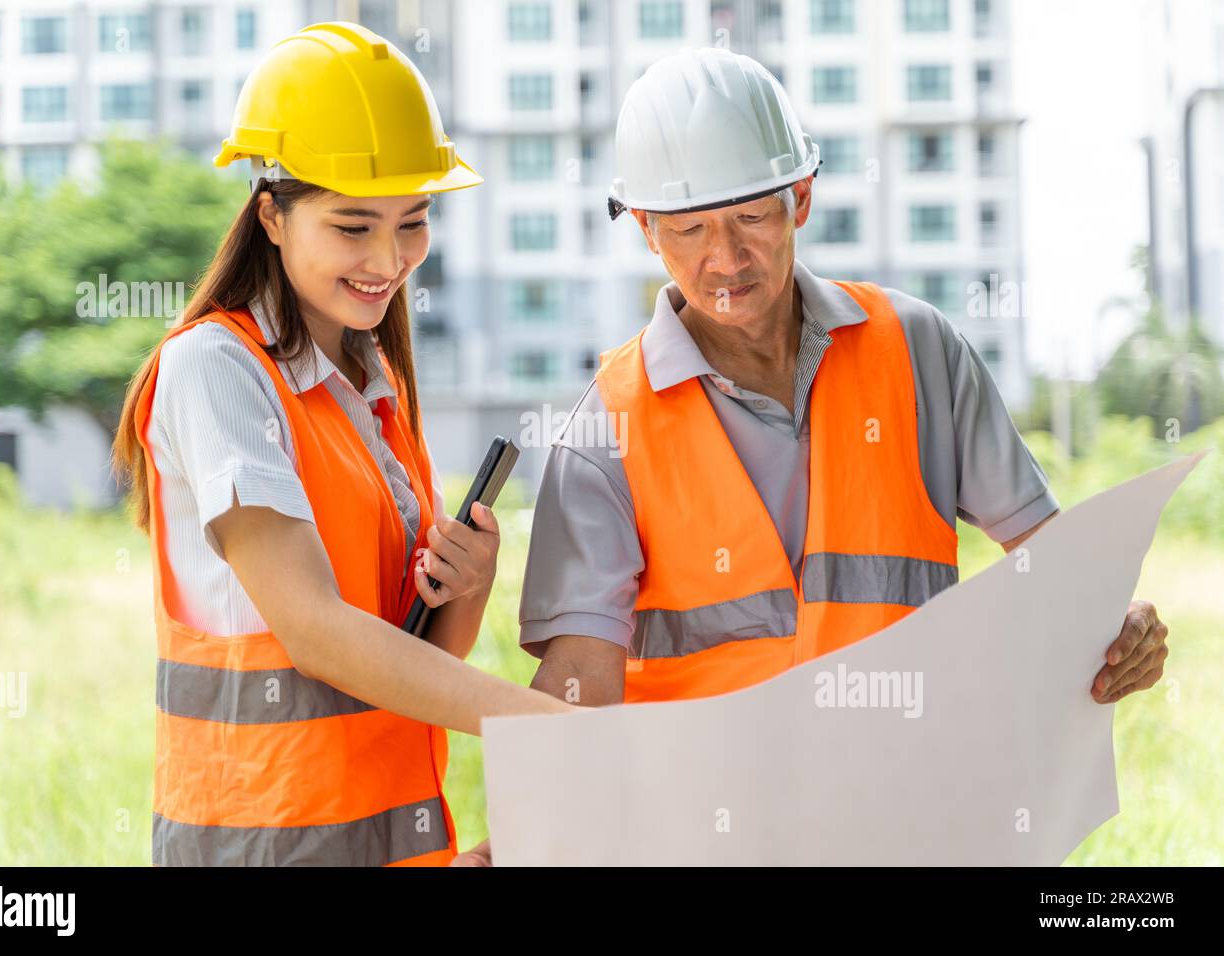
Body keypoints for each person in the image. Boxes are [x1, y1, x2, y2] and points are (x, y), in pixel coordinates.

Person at [452, 46, 1171, 866]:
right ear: (646, 230)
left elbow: (1054, 570)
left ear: (800, 197)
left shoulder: (917, 352)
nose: (724, 259)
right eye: (689, 229)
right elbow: (583, 680)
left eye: (752, 217)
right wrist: (516, 840)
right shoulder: (603, 430)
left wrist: (1117, 622)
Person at [111, 21, 570, 867]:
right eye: (353, 227)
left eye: (413, 223)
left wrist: (465, 587)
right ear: (273, 218)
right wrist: (554, 730)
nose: (389, 260)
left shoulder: (374, 384)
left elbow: (412, 658)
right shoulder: (216, 369)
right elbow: (318, 634)